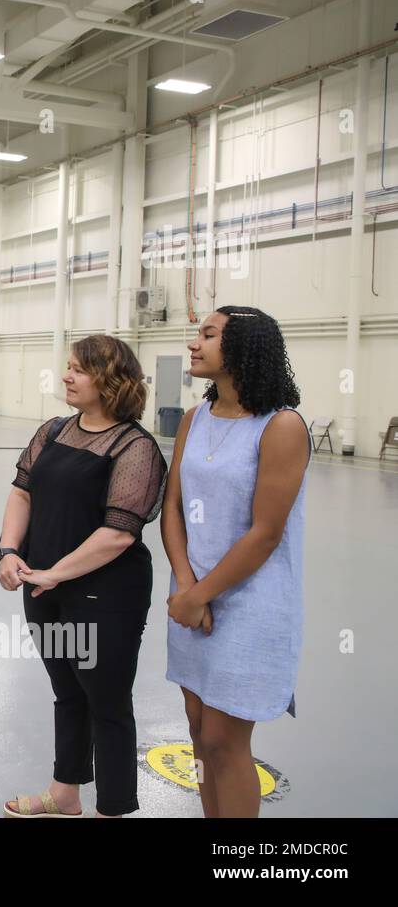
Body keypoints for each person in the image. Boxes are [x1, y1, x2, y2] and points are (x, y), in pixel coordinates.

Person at [0, 335, 166, 818]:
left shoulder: (134, 446)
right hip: (42, 585)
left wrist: (56, 573)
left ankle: (112, 809)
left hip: (104, 595)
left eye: (80, 370)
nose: (67, 376)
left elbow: (119, 533)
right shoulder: (53, 431)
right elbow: (22, 492)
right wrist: (8, 551)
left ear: (111, 381)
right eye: (68, 367)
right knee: (67, 691)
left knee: (107, 703)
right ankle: (65, 794)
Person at [161, 307, 308, 818]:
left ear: (244, 346)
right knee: (199, 732)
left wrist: (199, 595)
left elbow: (265, 534)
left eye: (208, 334)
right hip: (192, 601)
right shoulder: (193, 419)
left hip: (248, 603)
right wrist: (185, 584)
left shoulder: (281, 427)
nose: (193, 343)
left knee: (225, 740)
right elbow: (172, 506)